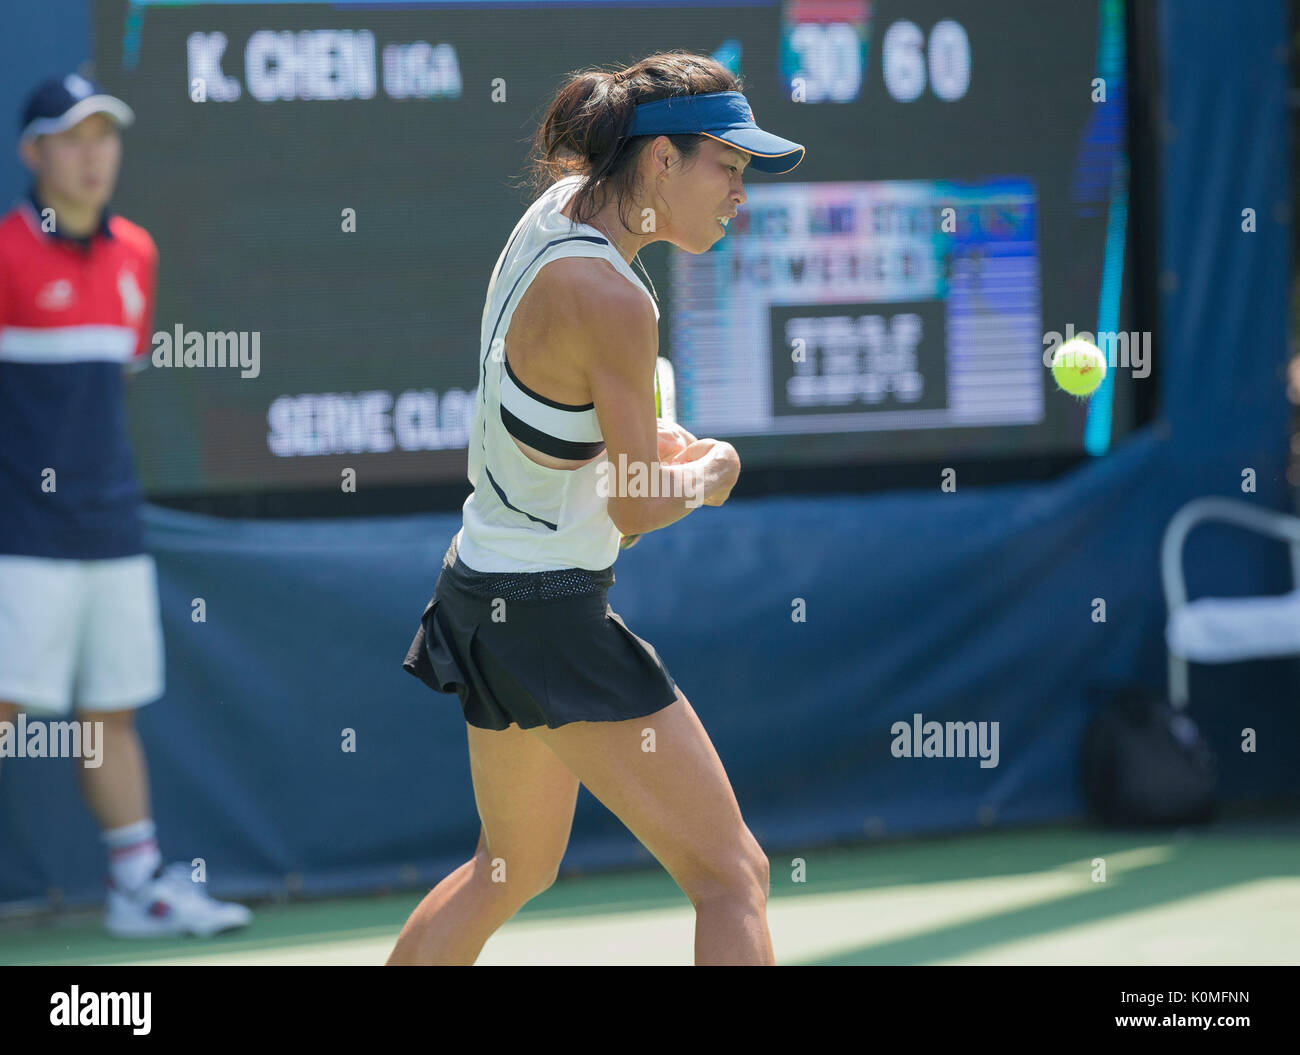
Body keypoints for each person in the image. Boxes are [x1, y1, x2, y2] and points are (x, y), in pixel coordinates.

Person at [395, 52, 804, 966]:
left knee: (508, 868)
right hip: (549, 621)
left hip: (480, 597)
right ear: (660, 161)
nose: (741, 195)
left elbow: (563, 417)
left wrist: (651, 443)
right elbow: (634, 507)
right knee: (731, 875)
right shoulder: (614, 298)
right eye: (727, 170)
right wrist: (710, 470)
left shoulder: (563, 208)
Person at [0, 73, 252, 938]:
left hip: (111, 531)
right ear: (33, 152)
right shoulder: (2, 254)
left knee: (111, 711)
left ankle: (136, 885)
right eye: (72, 137)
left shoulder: (135, 254)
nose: (93, 153)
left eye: (104, 135)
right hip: (19, 537)